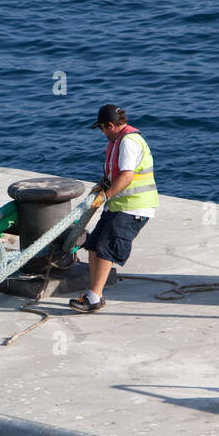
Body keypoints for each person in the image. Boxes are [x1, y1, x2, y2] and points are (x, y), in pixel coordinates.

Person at [70, 103, 158, 312]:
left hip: (133, 208)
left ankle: (94, 298)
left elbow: (127, 177)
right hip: (119, 206)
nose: (102, 133)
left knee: (105, 249)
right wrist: (104, 183)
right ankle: (94, 293)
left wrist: (105, 196)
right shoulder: (121, 139)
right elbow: (118, 173)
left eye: (102, 128)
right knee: (92, 245)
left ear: (110, 125)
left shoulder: (128, 142)